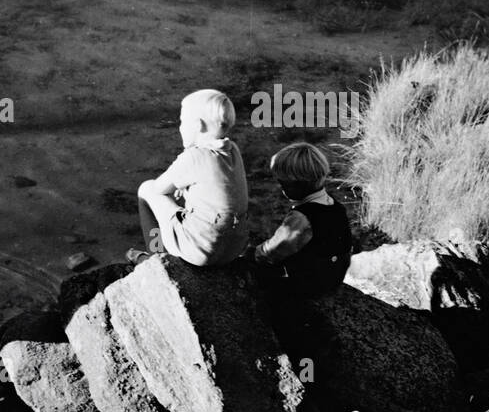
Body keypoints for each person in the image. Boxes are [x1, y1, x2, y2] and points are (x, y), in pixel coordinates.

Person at [129, 89, 249, 266]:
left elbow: (159, 188)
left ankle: (157, 257)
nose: (180, 127)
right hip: (234, 248)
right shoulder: (233, 150)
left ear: (198, 125)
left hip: (201, 251)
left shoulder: (194, 156)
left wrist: (178, 185)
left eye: (182, 122)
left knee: (147, 190)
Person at [251, 142, 352, 294]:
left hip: (311, 282)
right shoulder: (334, 206)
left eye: (284, 184)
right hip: (335, 275)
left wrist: (254, 253)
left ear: (299, 185)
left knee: (259, 273)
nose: (281, 188)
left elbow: (275, 249)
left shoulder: (302, 217)